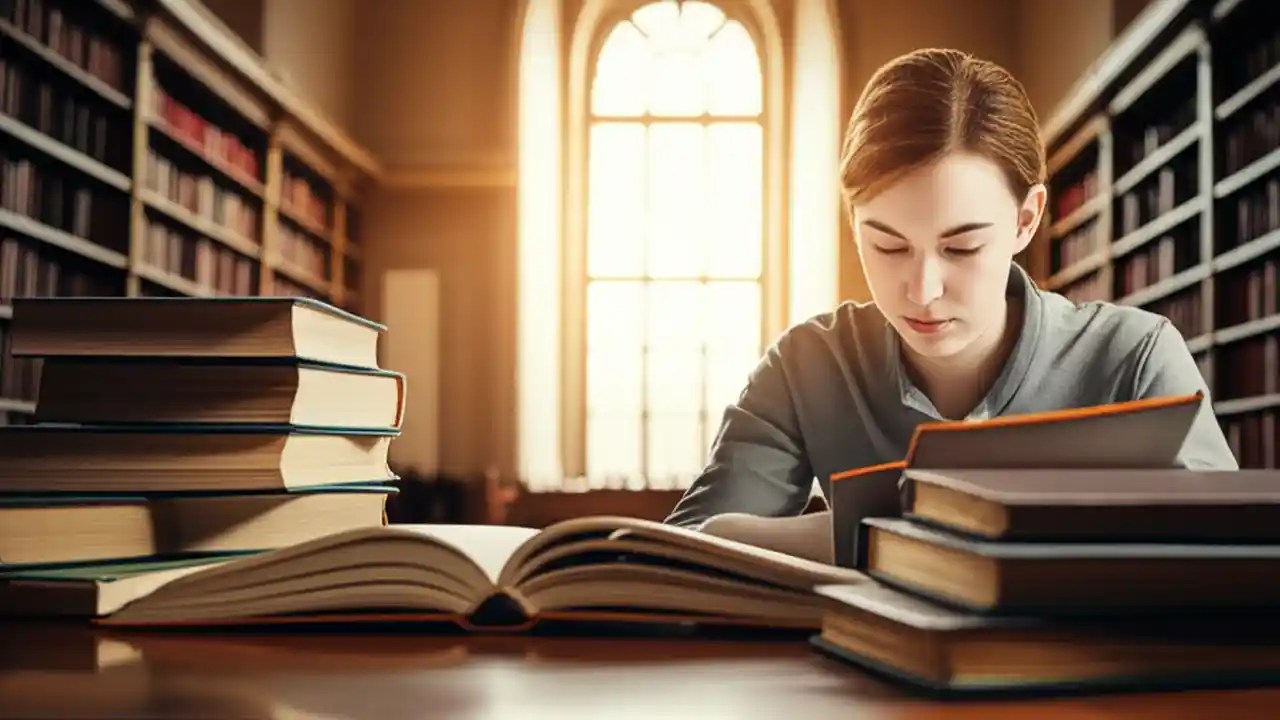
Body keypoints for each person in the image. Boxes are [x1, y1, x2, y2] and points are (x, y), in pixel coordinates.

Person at [663, 48, 1238, 554]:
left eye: (961, 247)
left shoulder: (1135, 358)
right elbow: (683, 556)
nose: (922, 290)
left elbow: (1235, 556)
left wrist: (870, 531)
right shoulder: (808, 365)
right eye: (887, 245)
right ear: (853, 222)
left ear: (1026, 219)